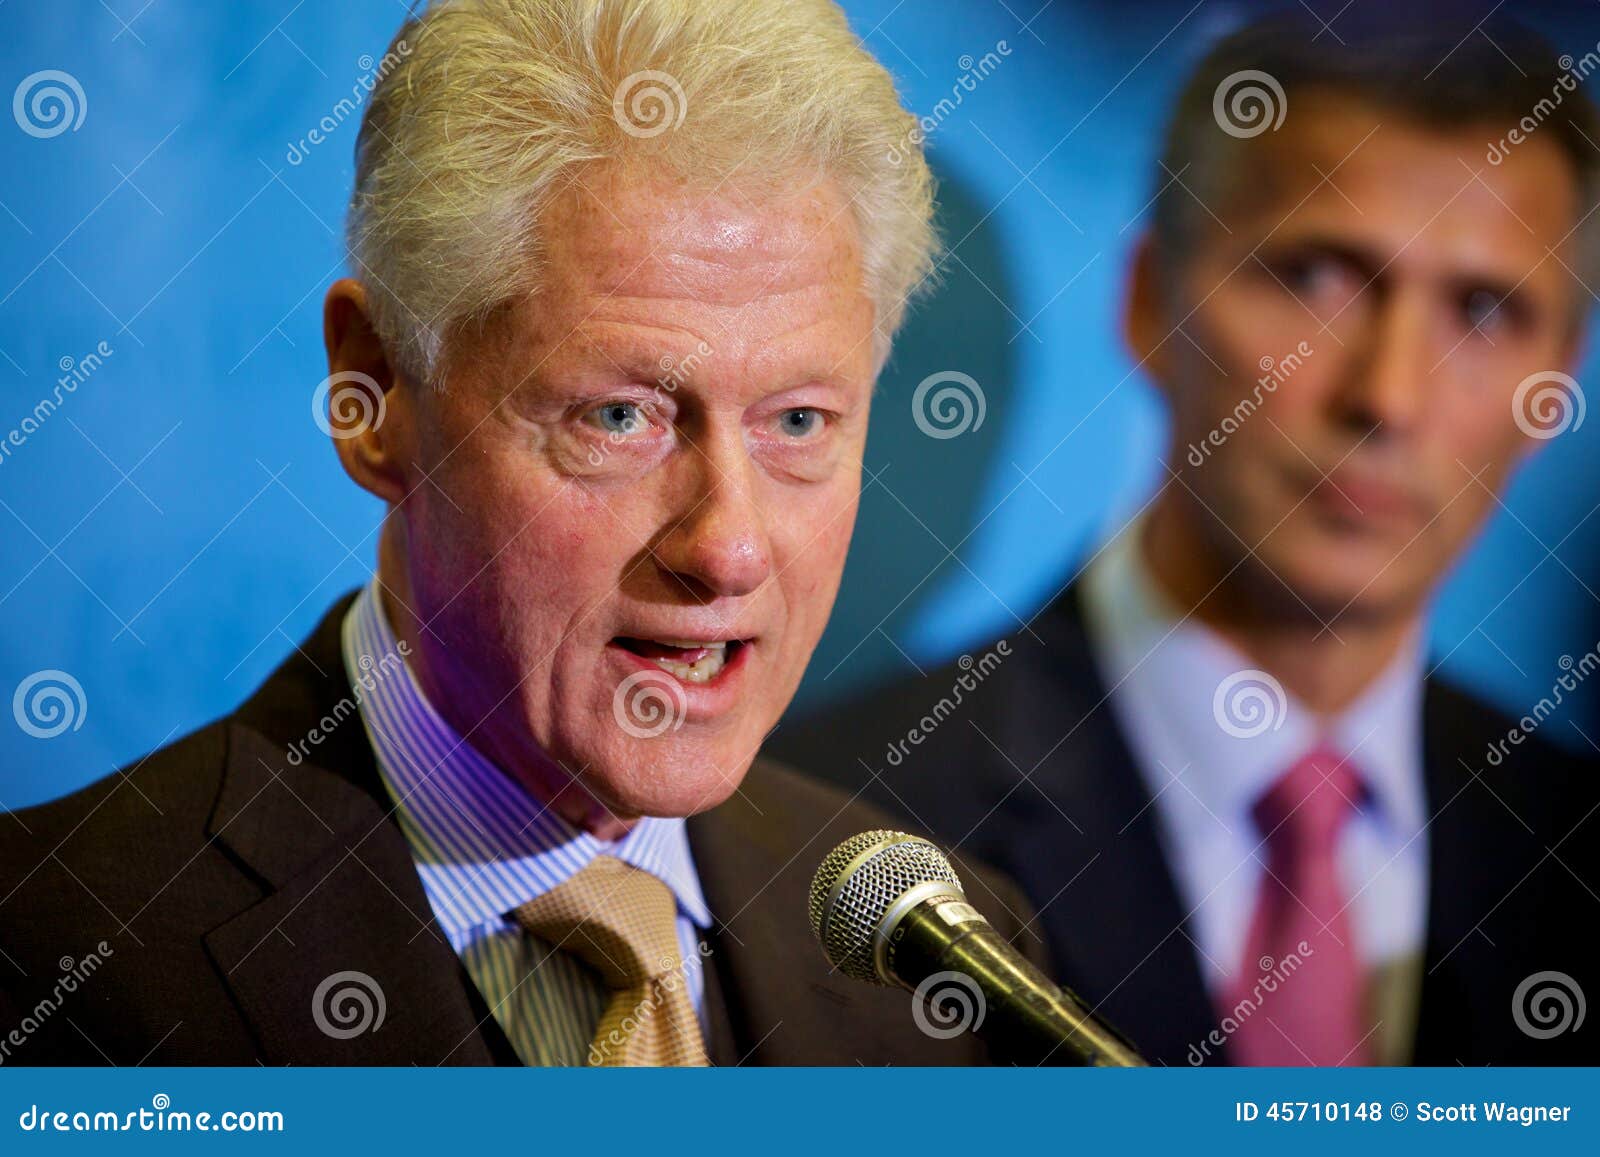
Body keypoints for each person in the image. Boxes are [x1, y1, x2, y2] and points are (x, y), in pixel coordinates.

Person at [0, 0, 1044, 1067]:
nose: (728, 548)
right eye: (618, 416)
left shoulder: (950, 968)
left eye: (796, 421)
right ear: (375, 391)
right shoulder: (56, 960)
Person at [775, 13, 1600, 1066]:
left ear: (1555, 387)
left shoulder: (1569, 845)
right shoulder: (834, 832)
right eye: (1315, 279)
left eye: (1481, 312)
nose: (1388, 395)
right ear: (1145, 303)